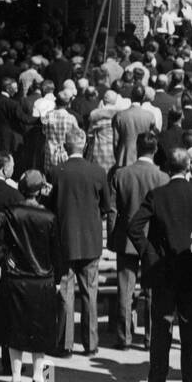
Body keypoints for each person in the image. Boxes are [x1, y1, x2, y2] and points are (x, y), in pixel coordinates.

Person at [128, 146, 192, 382]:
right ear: (189, 167)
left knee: (161, 330)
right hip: (191, 271)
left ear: (167, 168)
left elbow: (135, 227)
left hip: (163, 271)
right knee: (190, 333)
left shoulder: (157, 195)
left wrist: (149, 252)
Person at [0, 170, 62, 382]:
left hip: (16, 278)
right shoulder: (50, 217)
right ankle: (38, 378)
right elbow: (57, 252)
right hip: (43, 280)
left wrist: (3, 255)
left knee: (15, 330)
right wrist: (58, 279)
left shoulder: (10, 213)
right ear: (41, 190)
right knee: (40, 331)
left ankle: (15, 379)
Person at [48, 127, 113, 356]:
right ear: (84, 145)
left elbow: (50, 207)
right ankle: (90, 343)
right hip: (90, 240)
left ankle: (65, 344)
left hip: (65, 240)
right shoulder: (97, 172)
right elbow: (106, 207)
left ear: (66, 147)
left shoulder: (56, 172)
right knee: (90, 293)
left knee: (65, 292)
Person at [109, 132, 167, 349]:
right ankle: (151, 337)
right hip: (153, 241)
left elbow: (113, 210)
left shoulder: (121, 174)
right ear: (156, 150)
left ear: (136, 148)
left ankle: (124, 337)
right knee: (152, 291)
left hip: (126, 239)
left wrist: (113, 237)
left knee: (125, 289)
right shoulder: (162, 177)